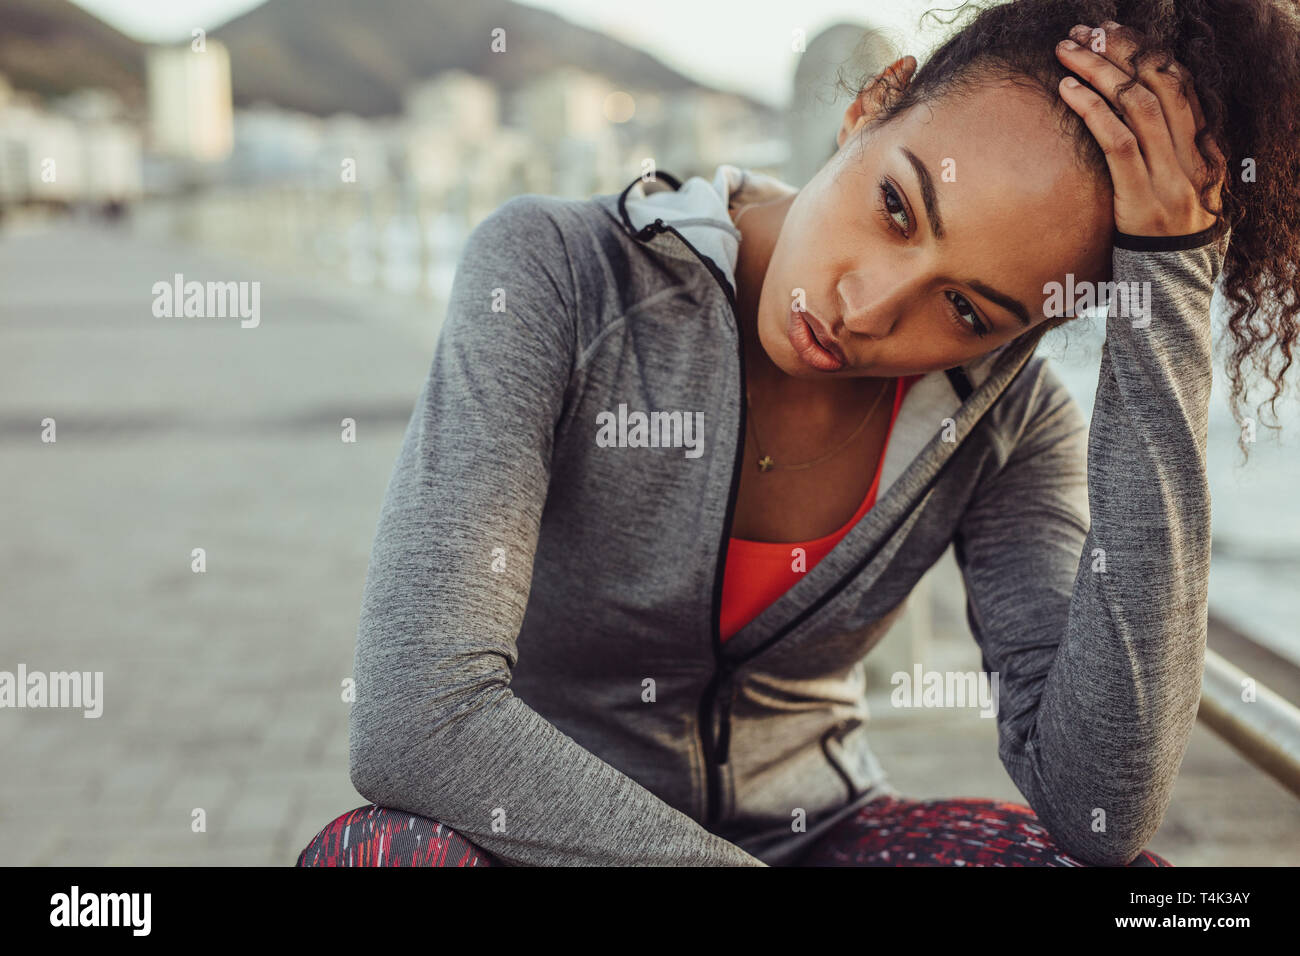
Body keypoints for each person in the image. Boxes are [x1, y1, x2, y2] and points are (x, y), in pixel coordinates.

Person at [300, 0, 1300, 866]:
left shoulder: (1010, 423)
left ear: (1042, 319)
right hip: (536, 840)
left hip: (821, 834)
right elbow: (415, 721)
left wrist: (1164, 291)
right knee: (384, 853)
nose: (867, 307)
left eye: (967, 309)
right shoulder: (560, 272)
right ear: (871, 103)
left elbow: (1099, 803)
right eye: (898, 207)